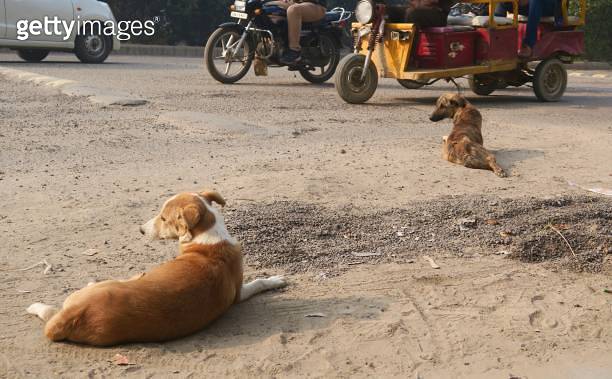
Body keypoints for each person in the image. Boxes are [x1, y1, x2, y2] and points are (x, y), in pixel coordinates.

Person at [491, 0, 560, 58]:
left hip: (550, 5)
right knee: (502, 2)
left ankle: (529, 45)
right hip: (528, 3)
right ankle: (496, 42)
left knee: (535, 1)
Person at [279, 0, 327, 65]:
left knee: (293, 10)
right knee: (268, 7)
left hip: (316, 5)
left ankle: (295, 50)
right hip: (295, 2)